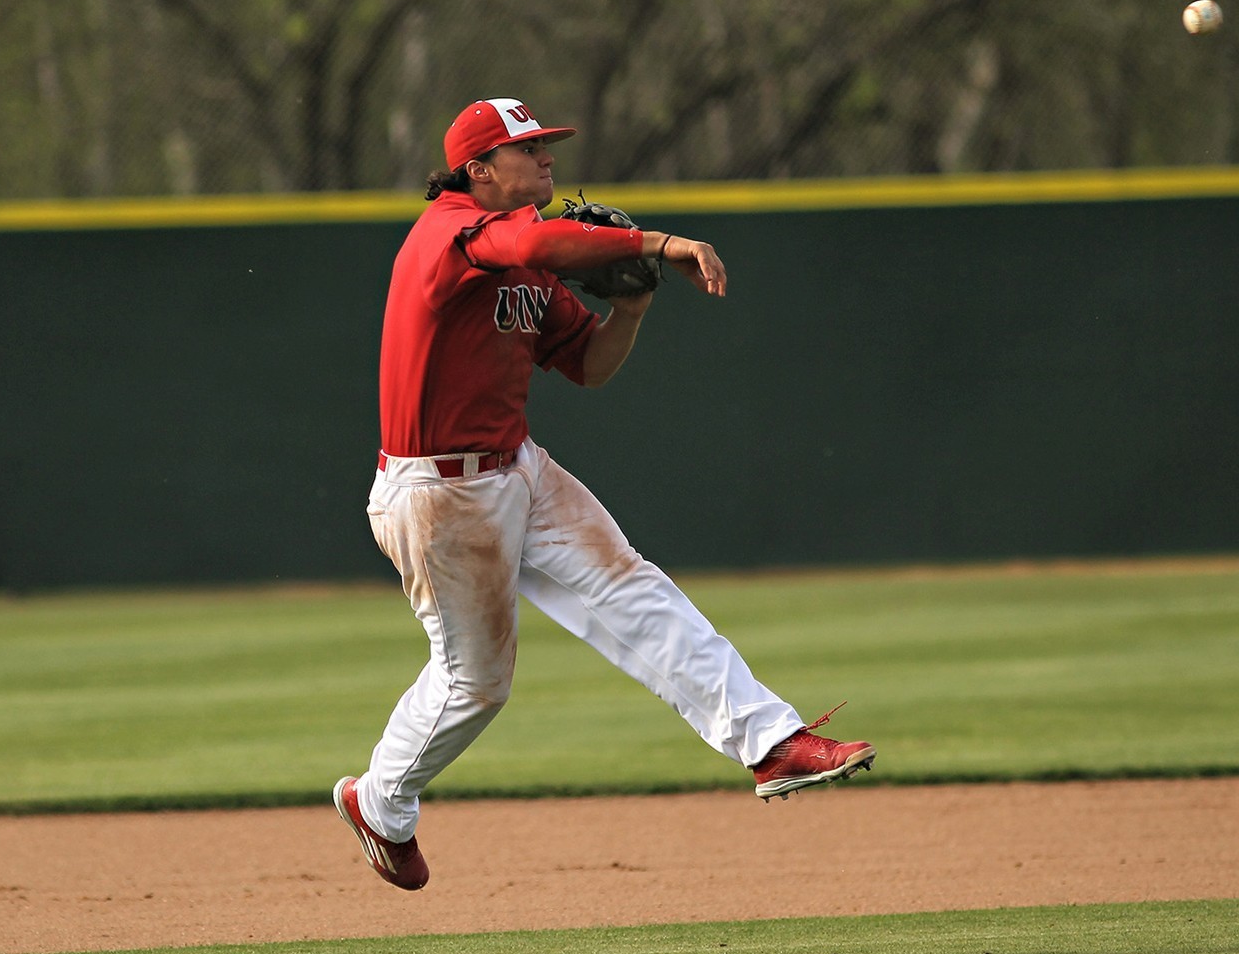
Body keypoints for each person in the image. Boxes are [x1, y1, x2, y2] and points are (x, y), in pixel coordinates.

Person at [334, 97, 875, 891]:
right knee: (476, 684)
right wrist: (661, 239)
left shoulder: (520, 257)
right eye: (530, 151)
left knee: (632, 586)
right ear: (479, 170)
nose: (548, 161)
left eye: (549, 148)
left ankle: (771, 743)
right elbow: (539, 238)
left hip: (517, 465)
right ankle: (380, 802)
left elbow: (588, 363)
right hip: (438, 496)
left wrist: (631, 305)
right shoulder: (450, 230)